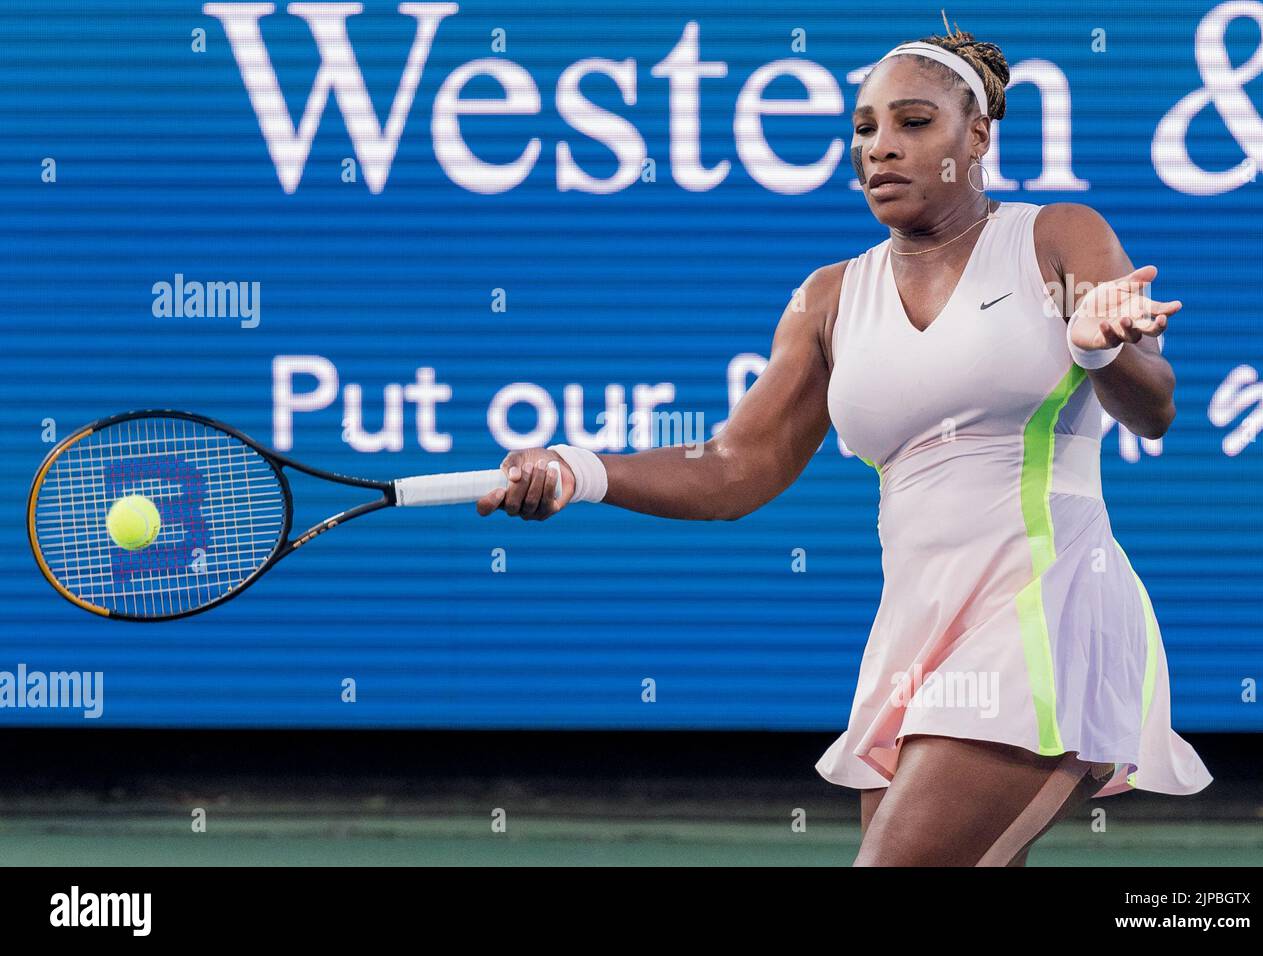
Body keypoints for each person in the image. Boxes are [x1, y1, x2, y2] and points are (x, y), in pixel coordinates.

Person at [475, 18, 1212, 866]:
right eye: (864, 129)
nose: (881, 148)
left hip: (1042, 606)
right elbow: (733, 466)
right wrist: (579, 468)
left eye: (913, 123)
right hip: (915, 625)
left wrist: (1099, 343)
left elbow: (1153, 406)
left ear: (977, 136)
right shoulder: (830, 296)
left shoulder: (1056, 236)